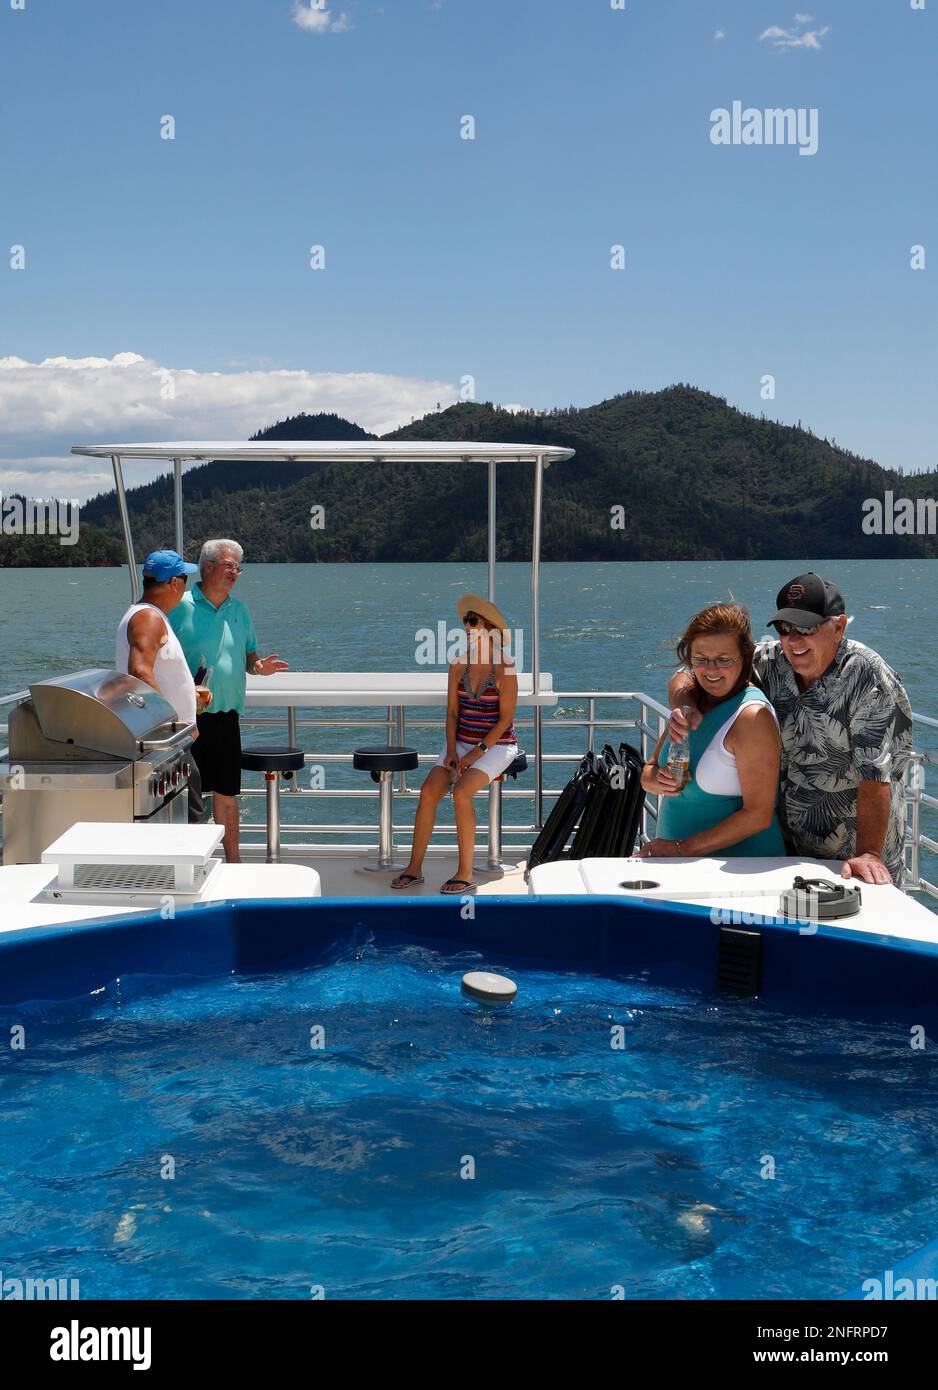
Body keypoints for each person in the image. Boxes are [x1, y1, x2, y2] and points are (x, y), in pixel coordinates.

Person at [668, 573, 912, 885]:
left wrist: (869, 854)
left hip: (853, 857)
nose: (793, 640)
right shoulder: (771, 661)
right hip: (790, 852)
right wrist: (685, 704)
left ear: (838, 627)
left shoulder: (867, 677)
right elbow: (692, 673)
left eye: (807, 628)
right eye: (785, 628)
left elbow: (875, 776)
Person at [169, 539, 288, 863]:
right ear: (208, 567)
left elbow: (250, 656)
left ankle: (233, 862)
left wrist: (259, 667)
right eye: (229, 565)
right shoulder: (180, 604)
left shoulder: (240, 610)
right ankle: (188, 863)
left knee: (226, 793)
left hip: (225, 715)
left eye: (238, 567)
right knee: (182, 795)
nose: (235, 572)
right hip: (184, 719)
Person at [391, 594, 519, 894]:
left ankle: (464, 872)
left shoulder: (505, 668)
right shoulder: (458, 666)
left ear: (490, 628)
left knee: (461, 793)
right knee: (428, 790)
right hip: (459, 743)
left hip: (497, 746)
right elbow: (451, 712)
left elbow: (504, 721)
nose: (467, 626)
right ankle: (414, 868)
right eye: (466, 621)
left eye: (473, 621)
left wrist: (477, 752)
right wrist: (451, 750)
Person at [638, 603, 785, 859]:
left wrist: (680, 849)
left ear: (745, 657)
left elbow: (758, 815)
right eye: (701, 660)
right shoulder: (692, 705)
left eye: (724, 660)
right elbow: (648, 772)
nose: (712, 670)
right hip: (678, 866)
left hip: (739, 873)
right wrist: (657, 780)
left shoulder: (751, 718)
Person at [115, 550, 211, 820]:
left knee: (181, 815)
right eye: (185, 579)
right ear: (173, 583)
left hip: (166, 742)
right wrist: (176, 725)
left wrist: (189, 693)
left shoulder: (148, 615)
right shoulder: (149, 618)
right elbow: (139, 671)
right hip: (167, 743)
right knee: (190, 817)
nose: (185, 587)